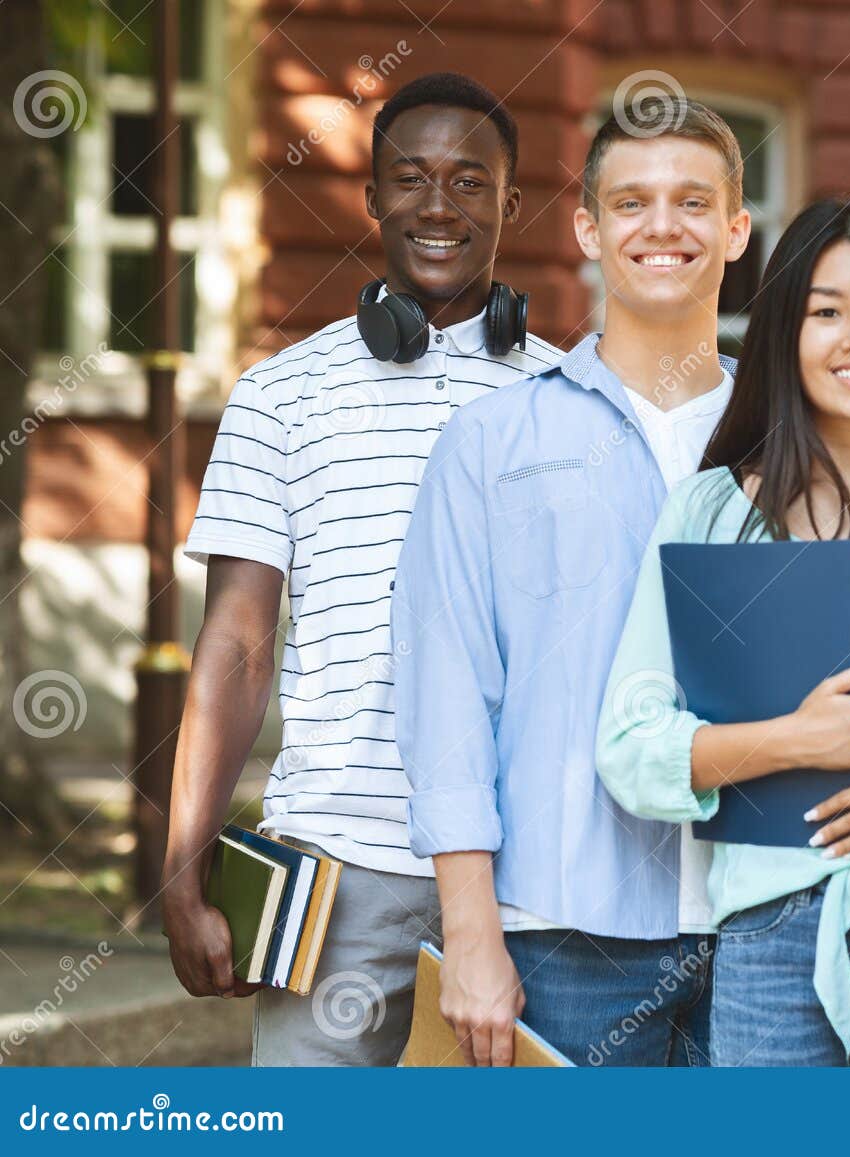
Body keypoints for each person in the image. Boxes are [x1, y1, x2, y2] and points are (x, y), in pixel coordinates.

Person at [162, 73, 561, 1065]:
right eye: (410, 178)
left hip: (529, 878)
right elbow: (238, 641)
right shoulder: (280, 394)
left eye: (469, 181)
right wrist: (182, 863)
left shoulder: (569, 397)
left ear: (510, 204)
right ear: (374, 196)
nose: (437, 205)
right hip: (334, 872)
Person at [391, 98, 751, 1067]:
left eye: (692, 201)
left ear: (735, 227)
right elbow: (448, 691)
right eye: (632, 203)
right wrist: (470, 932)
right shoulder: (492, 442)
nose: (662, 227)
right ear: (589, 229)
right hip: (564, 923)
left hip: (766, 914)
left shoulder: (782, 439)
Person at [595, 198, 850, 1066]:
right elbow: (632, 746)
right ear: (785, 330)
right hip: (777, 932)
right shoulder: (716, 511)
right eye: (827, 311)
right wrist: (793, 740)